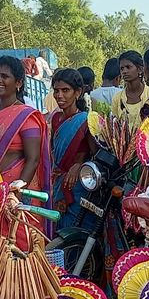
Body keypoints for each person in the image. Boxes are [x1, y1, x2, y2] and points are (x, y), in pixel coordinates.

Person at [0, 55, 52, 241]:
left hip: (17, 191)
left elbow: (33, 159)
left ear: (18, 83)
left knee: (21, 243)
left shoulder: (26, 116)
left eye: (5, 76)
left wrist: (17, 190)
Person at [50, 68, 96, 231]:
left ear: (78, 92)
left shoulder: (86, 121)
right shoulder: (55, 119)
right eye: (56, 91)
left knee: (77, 230)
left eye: (65, 90)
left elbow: (96, 157)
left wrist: (79, 165)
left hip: (78, 186)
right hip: (57, 183)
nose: (59, 95)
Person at [110, 51, 149, 131]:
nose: (124, 71)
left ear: (140, 69)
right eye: (122, 68)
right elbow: (114, 127)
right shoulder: (117, 98)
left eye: (128, 67)